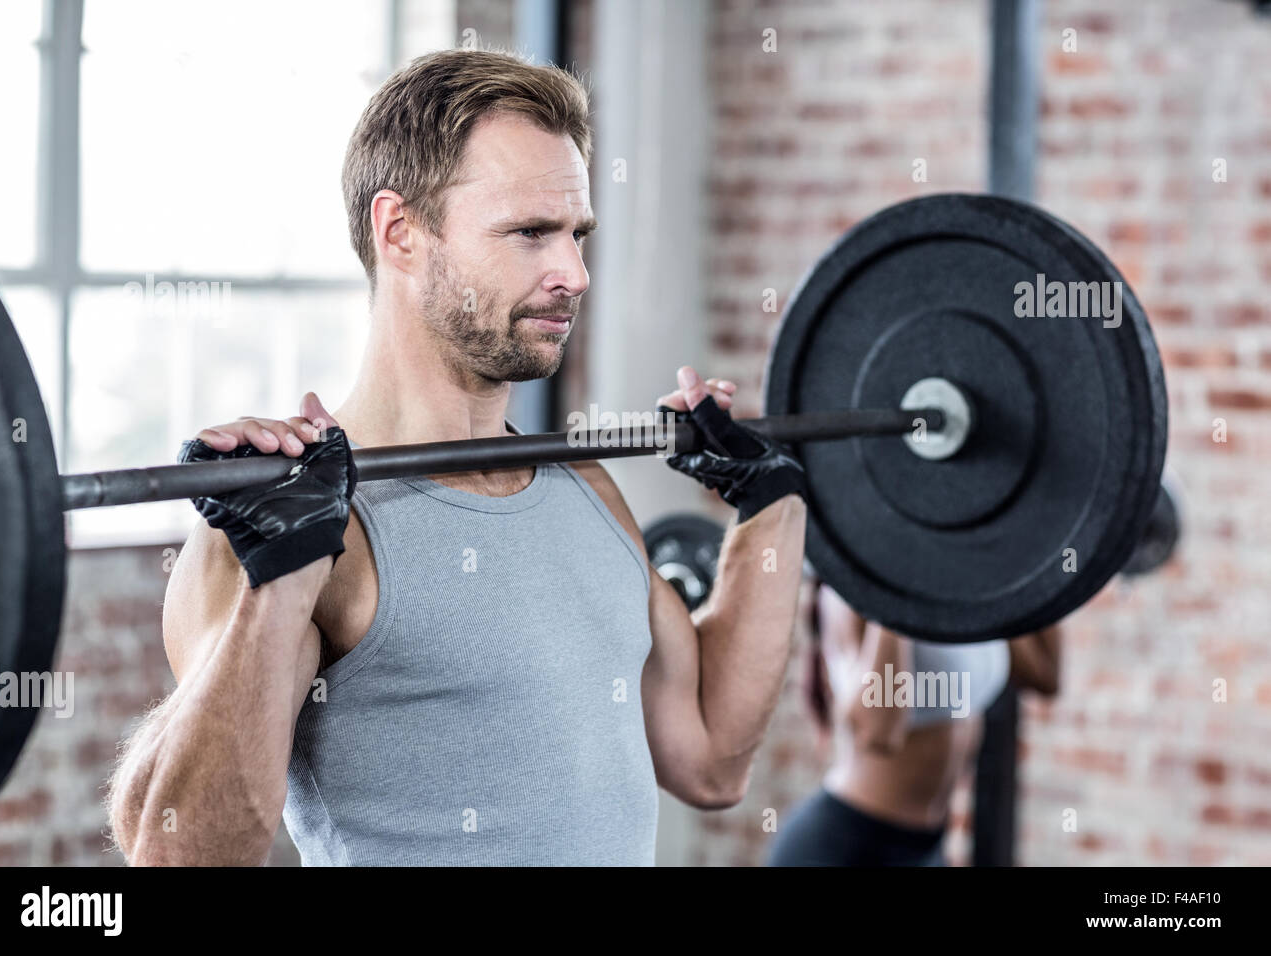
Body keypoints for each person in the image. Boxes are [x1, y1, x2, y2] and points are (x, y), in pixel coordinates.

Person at [106, 49, 809, 866]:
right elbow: (180, 856)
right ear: (400, 232)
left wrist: (770, 505)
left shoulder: (584, 486)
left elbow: (711, 758)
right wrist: (281, 580)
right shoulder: (291, 521)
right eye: (530, 234)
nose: (575, 274)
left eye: (577, 234)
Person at [767, 581, 1061, 866]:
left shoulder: (969, 586)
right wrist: (897, 583)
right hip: (851, 843)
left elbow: (1044, 673)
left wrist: (1022, 561)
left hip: (926, 845)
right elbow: (877, 732)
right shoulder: (846, 594)